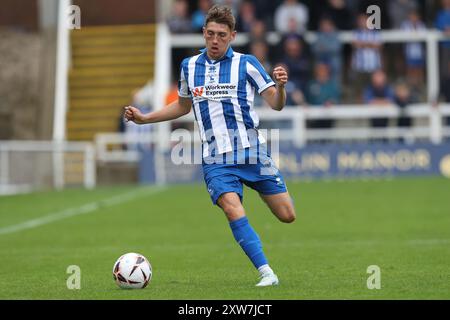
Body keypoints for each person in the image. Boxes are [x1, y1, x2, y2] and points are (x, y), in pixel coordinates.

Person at [124, 5, 296, 287]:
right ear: (204, 33)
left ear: (233, 36)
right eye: (211, 34)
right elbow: (182, 105)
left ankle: (259, 194)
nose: (215, 40)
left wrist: (281, 88)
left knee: (287, 215)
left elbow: (276, 105)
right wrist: (145, 119)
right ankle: (267, 272)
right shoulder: (189, 67)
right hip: (215, 157)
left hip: (253, 152)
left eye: (222, 35)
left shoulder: (247, 63)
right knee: (231, 207)